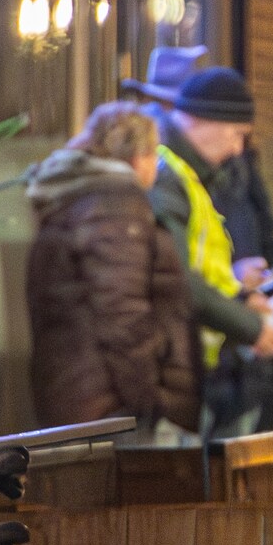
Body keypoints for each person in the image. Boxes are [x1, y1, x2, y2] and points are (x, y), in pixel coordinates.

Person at [22, 102, 198, 438]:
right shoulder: (114, 207)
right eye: (153, 156)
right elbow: (123, 313)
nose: (157, 169)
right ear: (136, 157)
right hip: (113, 409)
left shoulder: (77, 200)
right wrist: (150, 401)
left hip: (83, 397)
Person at [145, 66, 273, 438]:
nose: (237, 149)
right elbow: (179, 278)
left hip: (194, 368)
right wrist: (250, 326)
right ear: (204, 120)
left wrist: (240, 295)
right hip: (169, 370)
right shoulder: (167, 173)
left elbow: (199, 265)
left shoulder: (189, 174)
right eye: (236, 134)